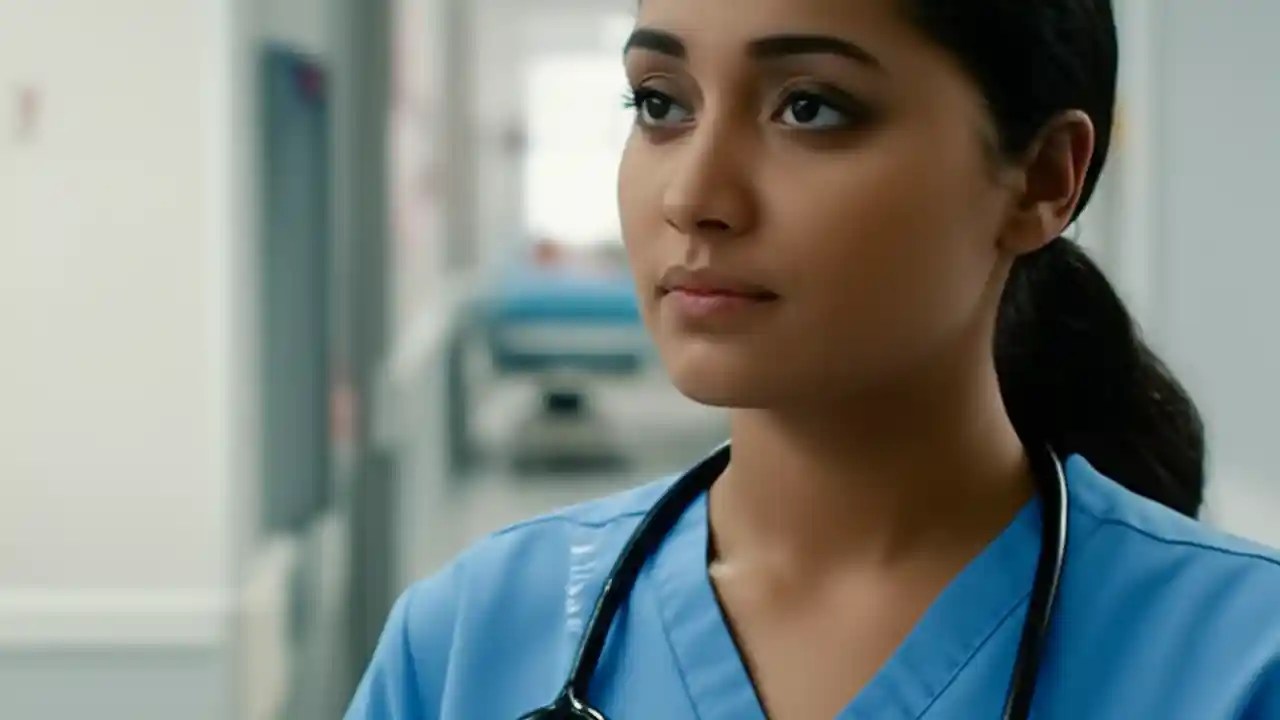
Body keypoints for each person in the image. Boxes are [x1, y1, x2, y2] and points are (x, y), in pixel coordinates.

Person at [346, 0, 1280, 717]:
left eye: (808, 108)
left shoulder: (1244, 664)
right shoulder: (467, 645)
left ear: (1041, 178)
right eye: (661, 104)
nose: (694, 195)